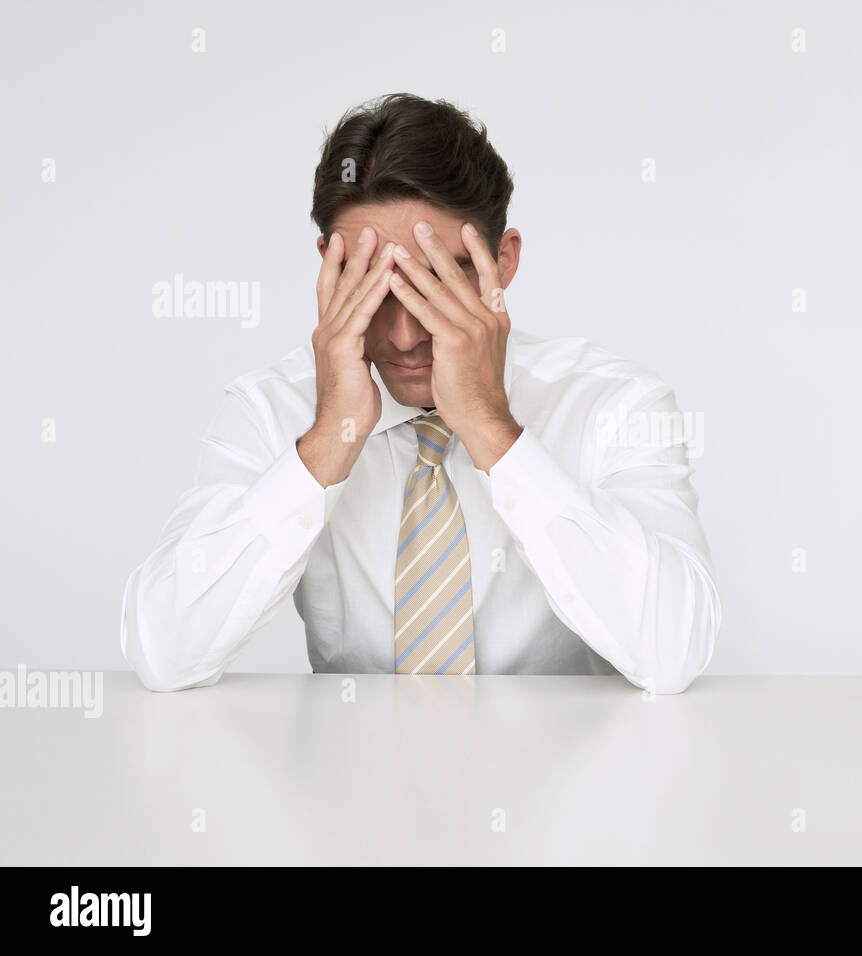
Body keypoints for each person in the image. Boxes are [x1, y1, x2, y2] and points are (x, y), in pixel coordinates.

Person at [120, 93, 721, 694]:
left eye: (433, 282)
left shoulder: (613, 405)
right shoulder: (271, 408)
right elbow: (165, 652)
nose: (405, 336)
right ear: (328, 268)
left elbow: (672, 653)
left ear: (503, 261)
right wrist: (330, 439)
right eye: (371, 286)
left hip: (563, 779)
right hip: (348, 780)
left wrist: (490, 427)